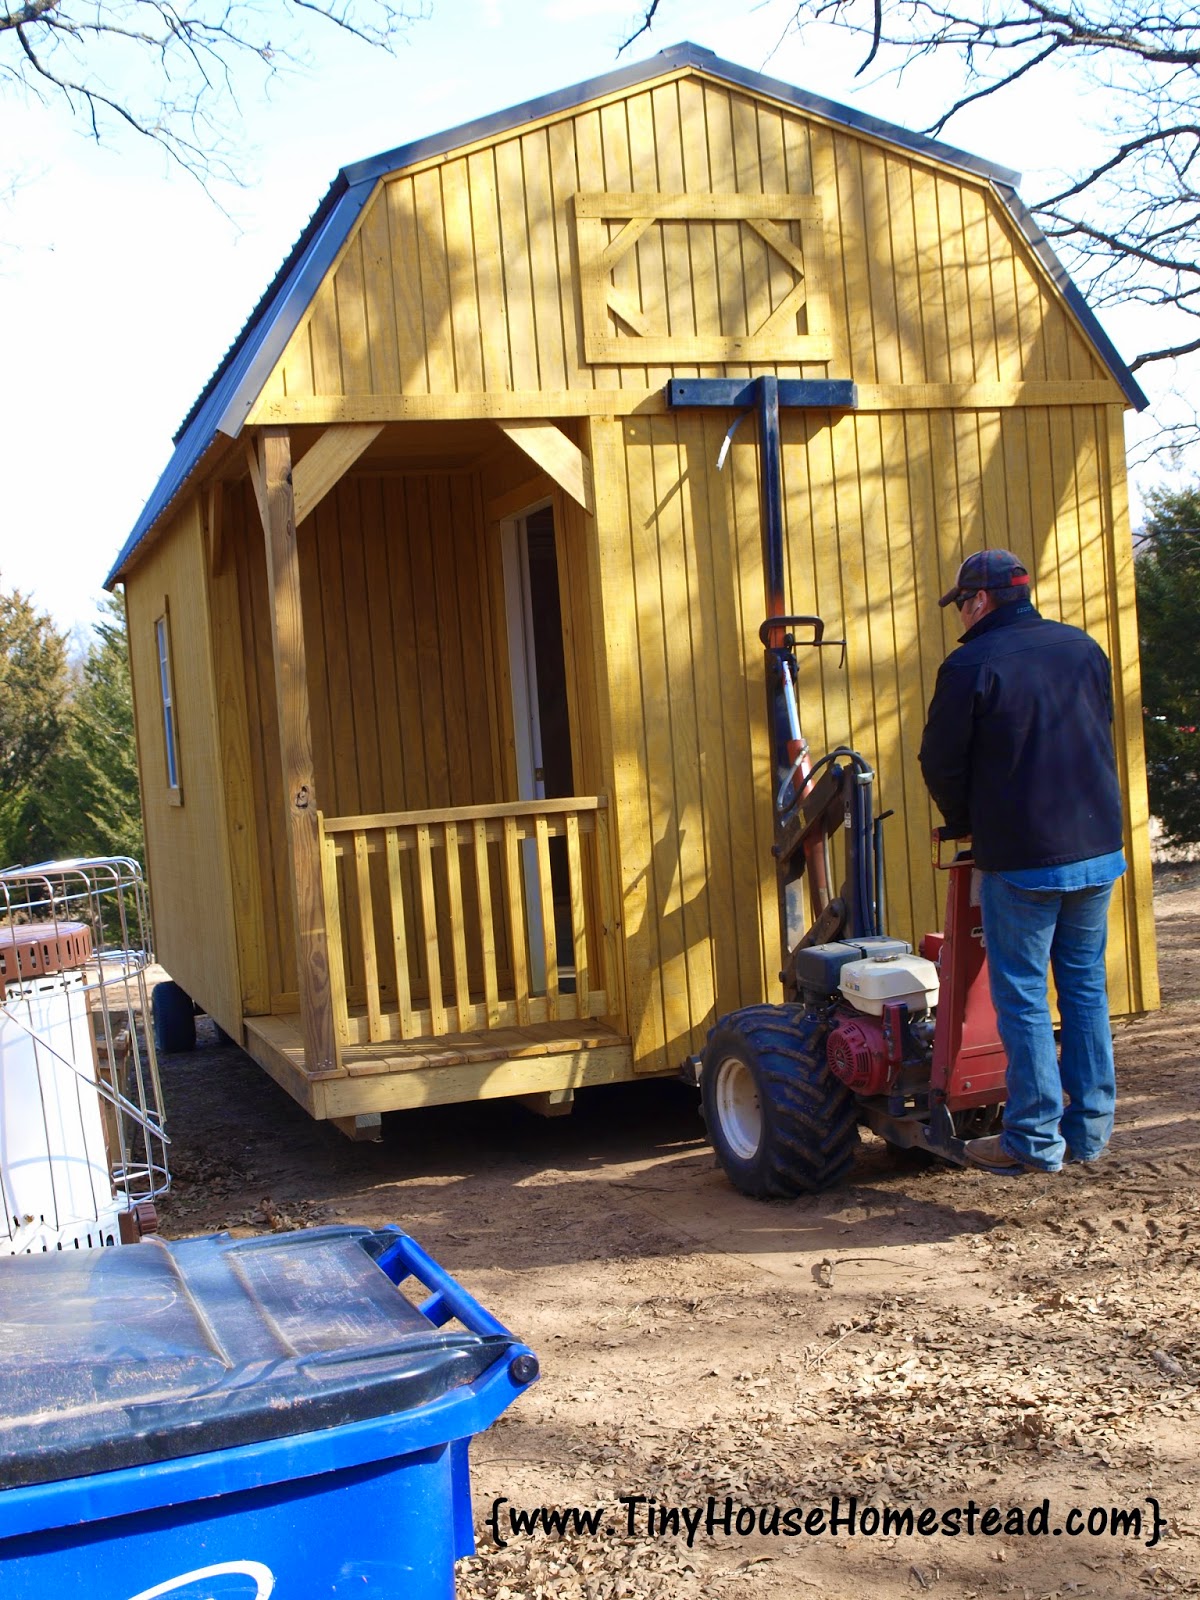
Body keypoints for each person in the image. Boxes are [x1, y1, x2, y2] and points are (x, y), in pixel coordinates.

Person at [918, 549, 1126, 1175]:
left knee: (1024, 994)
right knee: (1085, 987)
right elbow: (1099, 729)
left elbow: (941, 762)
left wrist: (965, 823)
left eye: (960, 604)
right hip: (1097, 848)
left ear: (979, 600)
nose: (958, 617)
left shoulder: (970, 664)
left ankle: (1034, 1140)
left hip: (1023, 858)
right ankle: (1088, 1131)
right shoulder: (1082, 648)